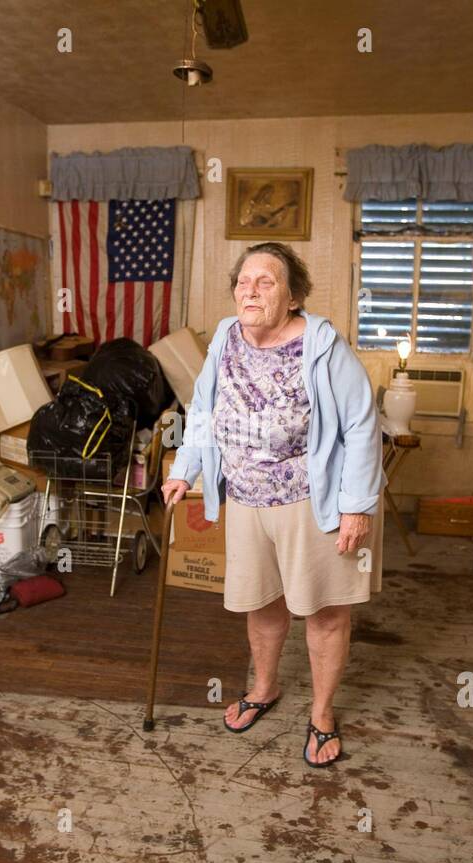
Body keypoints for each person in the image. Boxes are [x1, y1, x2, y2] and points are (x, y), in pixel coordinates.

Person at [161, 242, 385, 768]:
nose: (250, 290)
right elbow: (202, 410)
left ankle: (324, 714)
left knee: (325, 613)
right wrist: (183, 469)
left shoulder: (323, 346)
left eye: (266, 281)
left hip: (312, 502)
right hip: (243, 499)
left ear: (293, 296)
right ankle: (264, 688)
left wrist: (357, 506)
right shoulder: (223, 337)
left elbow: (360, 424)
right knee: (261, 604)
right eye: (244, 281)